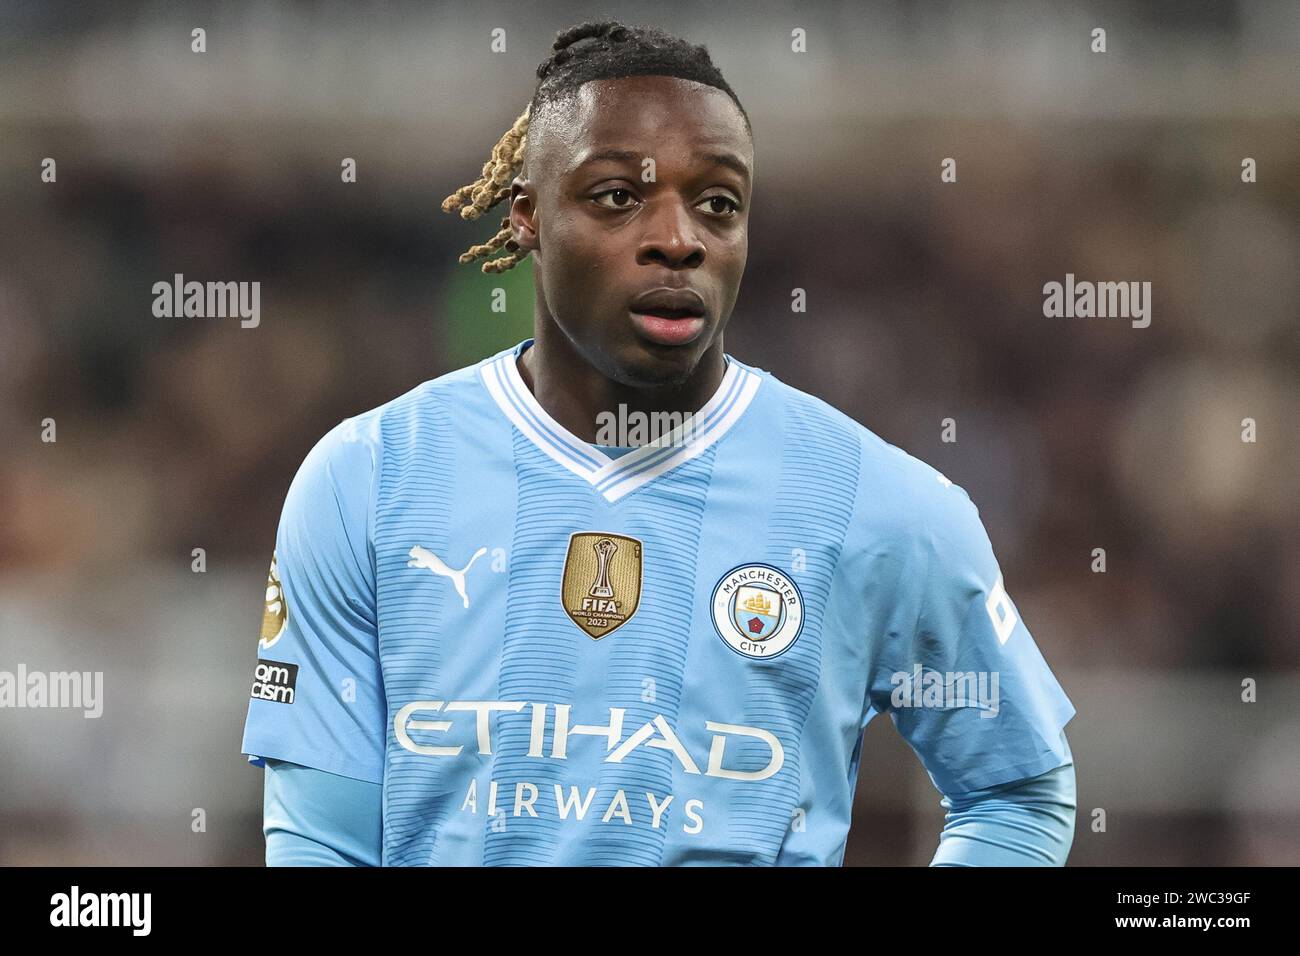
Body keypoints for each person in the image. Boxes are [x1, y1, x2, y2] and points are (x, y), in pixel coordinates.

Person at [242, 19, 1076, 866]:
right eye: (617, 196)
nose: (678, 238)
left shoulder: (884, 504)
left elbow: (1015, 791)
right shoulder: (366, 480)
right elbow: (321, 840)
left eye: (717, 202)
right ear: (527, 218)